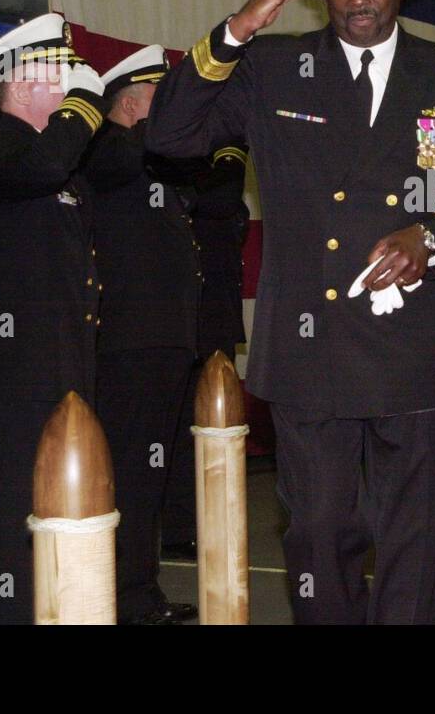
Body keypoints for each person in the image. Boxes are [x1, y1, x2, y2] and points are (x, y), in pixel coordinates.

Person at [144, 0, 435, 624]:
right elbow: (170, 133)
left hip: (417, 351)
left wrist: (434, 239)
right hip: (311, 351)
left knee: (415, 542)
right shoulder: (274, 67)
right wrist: (237, 30)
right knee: (320, 535)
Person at [0, 13, 109, 624]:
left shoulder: (56, 160)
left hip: (64, 355)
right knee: (13, 514)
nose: (74, 84)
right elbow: (47, 169)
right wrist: (87, 104)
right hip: (19, 363)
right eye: (62, 75)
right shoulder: (0, 147)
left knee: (62, 507)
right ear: (22, 84)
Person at [82, 44, 199, 624]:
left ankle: (139, 593)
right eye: (160, 92)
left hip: (162, 342)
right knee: (128, 472)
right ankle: (119, 597)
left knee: (147, 476)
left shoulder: (150, 158)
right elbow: (115, 163)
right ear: (129, 101)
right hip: (130, 342)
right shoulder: (107, 147)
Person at [161, 140, 250, 562]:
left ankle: (207, 521)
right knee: (184, 430)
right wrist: (230, 152)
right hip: (189, 319)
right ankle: (180, 526)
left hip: (214, 316)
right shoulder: (183, 167)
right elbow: (221, 199)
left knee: (218, 429)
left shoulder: (204, 169)